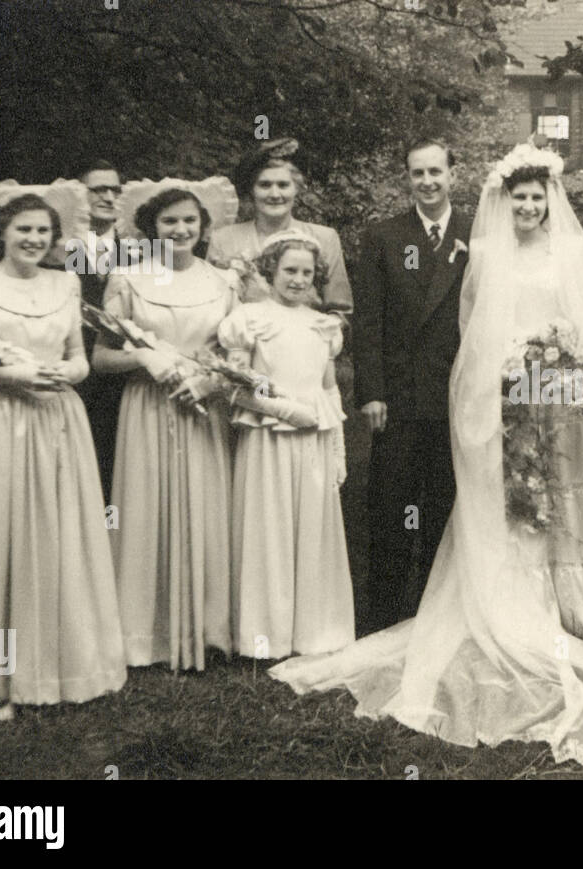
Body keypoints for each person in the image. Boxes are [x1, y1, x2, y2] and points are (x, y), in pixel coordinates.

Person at [269, 144, 583, 766]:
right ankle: (503, 604)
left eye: (538, 197)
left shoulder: (570, 249)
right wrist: (509, 371)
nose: (529, 207)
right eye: (520, 198)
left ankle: (573, 610)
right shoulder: (484, 253)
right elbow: (474, 331)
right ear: (503, 203)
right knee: (509, 504)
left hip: (555, 394)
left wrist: (566, 359)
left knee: (559, 500)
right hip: (503, 394)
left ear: (550, 201)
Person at [0, 182, 125, 715]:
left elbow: (81, 359)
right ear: (1, 232)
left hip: (59, 418)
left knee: (60, 532)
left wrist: (66, 371)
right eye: (24, 229)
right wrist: (12, 375)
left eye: (43, 231)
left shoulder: (65, 284)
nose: (34, 239)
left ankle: (63, 665)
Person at [92, 180, 240, 670]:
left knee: (207, 505)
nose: (179, 229)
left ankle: (208, 627)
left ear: (202, 228)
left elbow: (238, 354)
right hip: (148, 407)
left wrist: (210, 378)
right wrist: (143, 356)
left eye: (188, 221)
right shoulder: (127, 278)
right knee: (145, 508)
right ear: (152, 228)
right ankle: (145, 633)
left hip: (203, 407)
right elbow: (100, 359)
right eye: (169, 221)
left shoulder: (224, 282)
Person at [352, 140, 469, 633]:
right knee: (395, 505)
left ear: (452, 175)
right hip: (398, 397)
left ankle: (437, 612)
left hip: (456, 396)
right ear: (407, 178)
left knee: (445, 506)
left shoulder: (477, 233)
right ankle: (383, 614)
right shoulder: (384, 236)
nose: (427, 181)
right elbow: (368, 321)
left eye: (435, 172)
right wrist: (371, 391)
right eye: (417, 173)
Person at [220, 229, 353, 658]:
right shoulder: (249, 318)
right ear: (270, 271)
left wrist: (338, 450)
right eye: (289, 271)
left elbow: (330, 389)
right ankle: (266, 635)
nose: (298, 280)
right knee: (268, 529)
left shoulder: (323, 324)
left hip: (314, 437)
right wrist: (284, 410)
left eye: (307, 273)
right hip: (268, 439)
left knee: (312, 529)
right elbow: (236, 388)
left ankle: (315, 632)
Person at [208, 138, 352, 315]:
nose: (274, 194)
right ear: (252, 190)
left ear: (297, 188)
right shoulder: (224, 239)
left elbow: (340, 311)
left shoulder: (324, 238)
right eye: (264, 185)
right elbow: (210, 307)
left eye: (283, 185)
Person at [72, 159, 127, 498]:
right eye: (99, 189)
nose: (109, 197)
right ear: (79, 195)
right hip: (74, 376)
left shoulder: (142, 248)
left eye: (115, 190)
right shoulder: (52, 248)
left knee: (120, 471)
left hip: (125, 377)